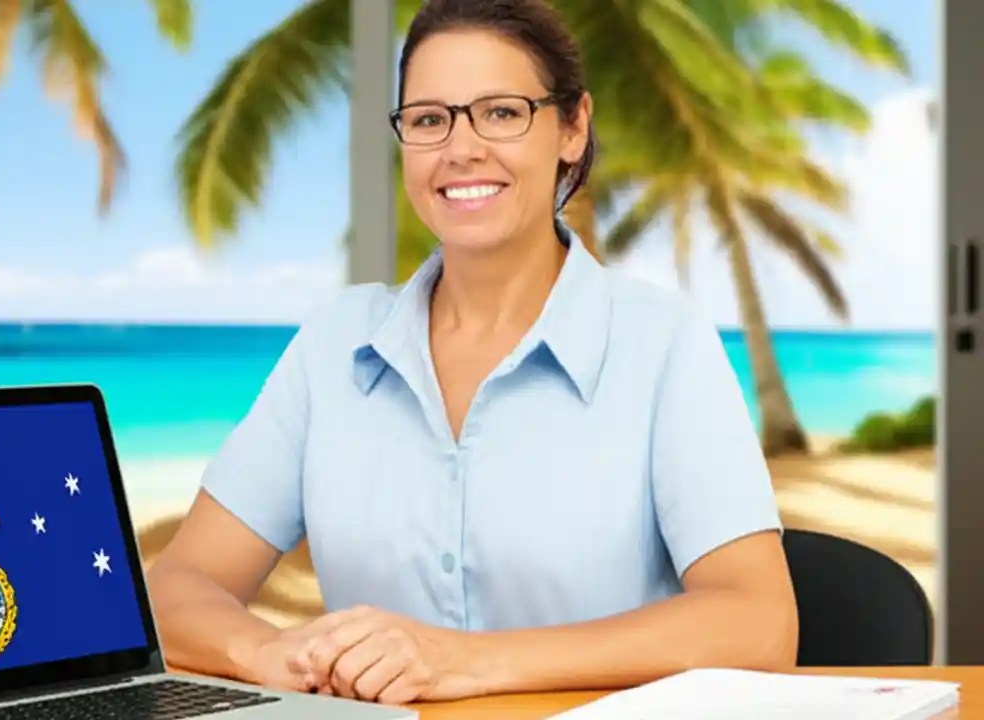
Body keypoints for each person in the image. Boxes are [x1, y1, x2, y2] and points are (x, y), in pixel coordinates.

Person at [145, 0, 798, 706]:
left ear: (572, 128)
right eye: (429, 119)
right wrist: (268, 651)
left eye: (501, 112)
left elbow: (760, 624)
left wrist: (465, 662)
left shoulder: (663, 342)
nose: (461, 148)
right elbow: (175, 586)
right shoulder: (334, 344)